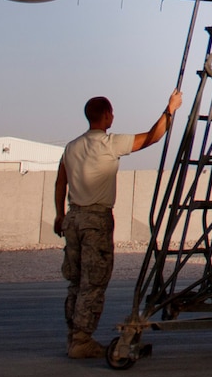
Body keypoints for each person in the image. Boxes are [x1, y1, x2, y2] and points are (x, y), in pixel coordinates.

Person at [53, 89, 181, 359]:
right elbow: (151, 138)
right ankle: (81, 340)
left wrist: (59, 215)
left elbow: (61, 182)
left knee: (76, 282)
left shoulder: (72, 147)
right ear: (106, 115)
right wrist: (170, 110)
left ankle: (74, 335)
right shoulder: (108, 143)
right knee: (93, 282)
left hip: (73, 217)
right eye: (112, 112)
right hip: (95, 219)